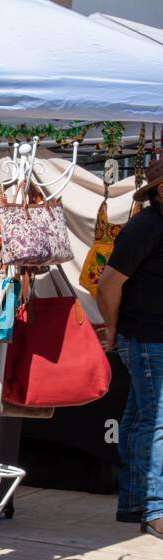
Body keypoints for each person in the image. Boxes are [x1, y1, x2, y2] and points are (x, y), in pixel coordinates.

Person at [96, 158, 163, 539]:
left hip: (150, 338)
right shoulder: (146, 226)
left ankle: (138, 502)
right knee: (154, 422)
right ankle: (155, 508)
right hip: (148, 338)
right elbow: (108, 284)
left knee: (142, 420)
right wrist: (114, 329)